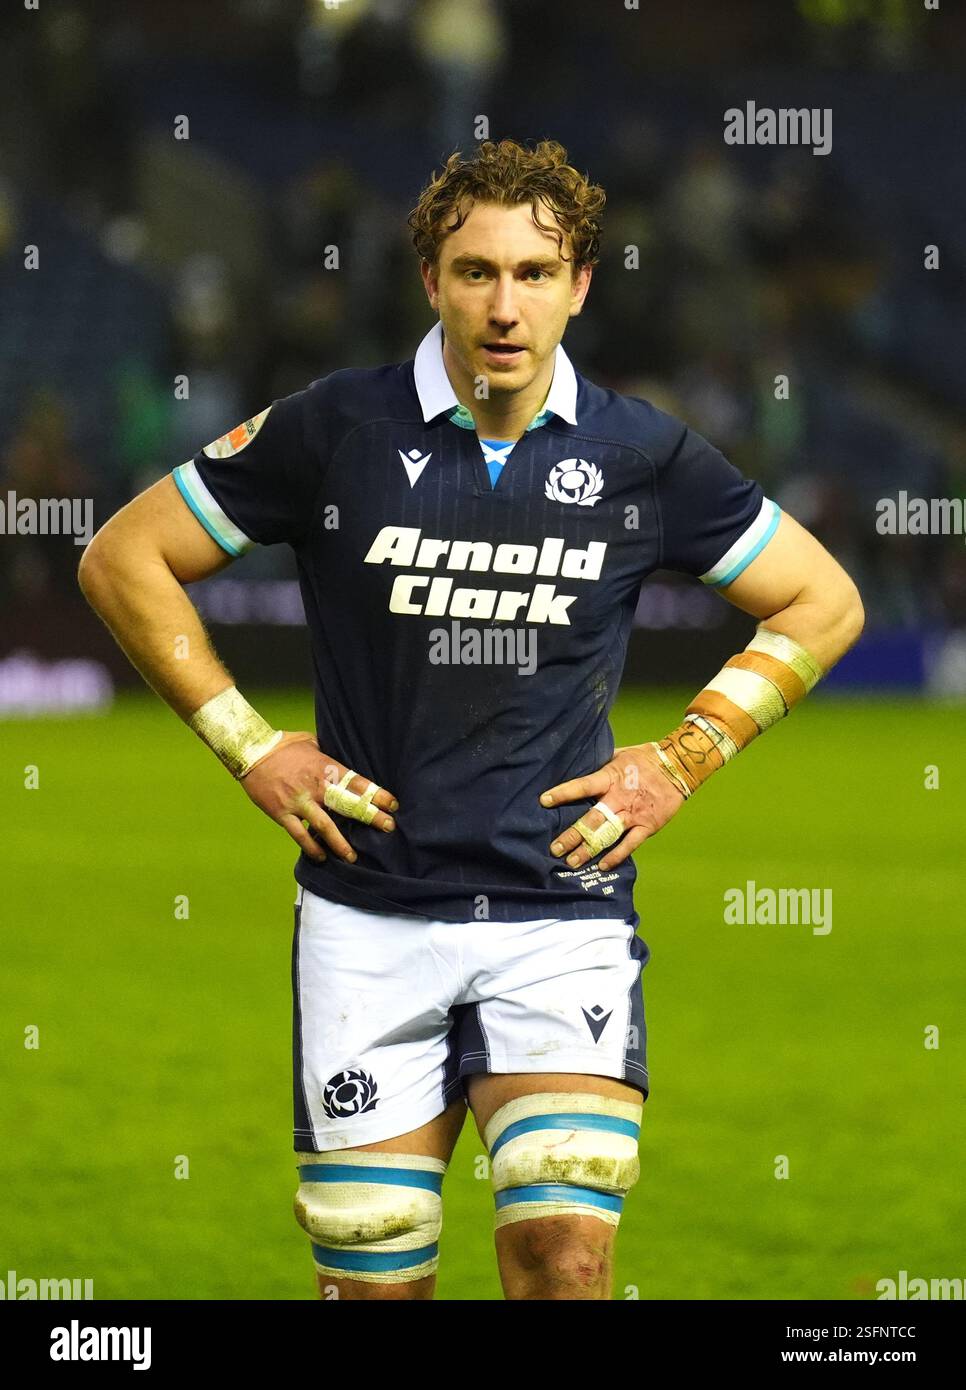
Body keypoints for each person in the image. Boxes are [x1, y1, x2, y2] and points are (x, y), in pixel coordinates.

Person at [77, 138, 864, 1301]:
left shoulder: (641, 453)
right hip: (368, 907)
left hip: (560, 909)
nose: (505, 304)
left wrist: (685, 756)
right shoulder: (333, 428)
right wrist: (252, 744)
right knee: (375, 1276)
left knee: (563, 1254)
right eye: (477, 271)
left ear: (581, 285)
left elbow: (824, 599)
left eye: (535, 273)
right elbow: (124, 556)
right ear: (431, 280)